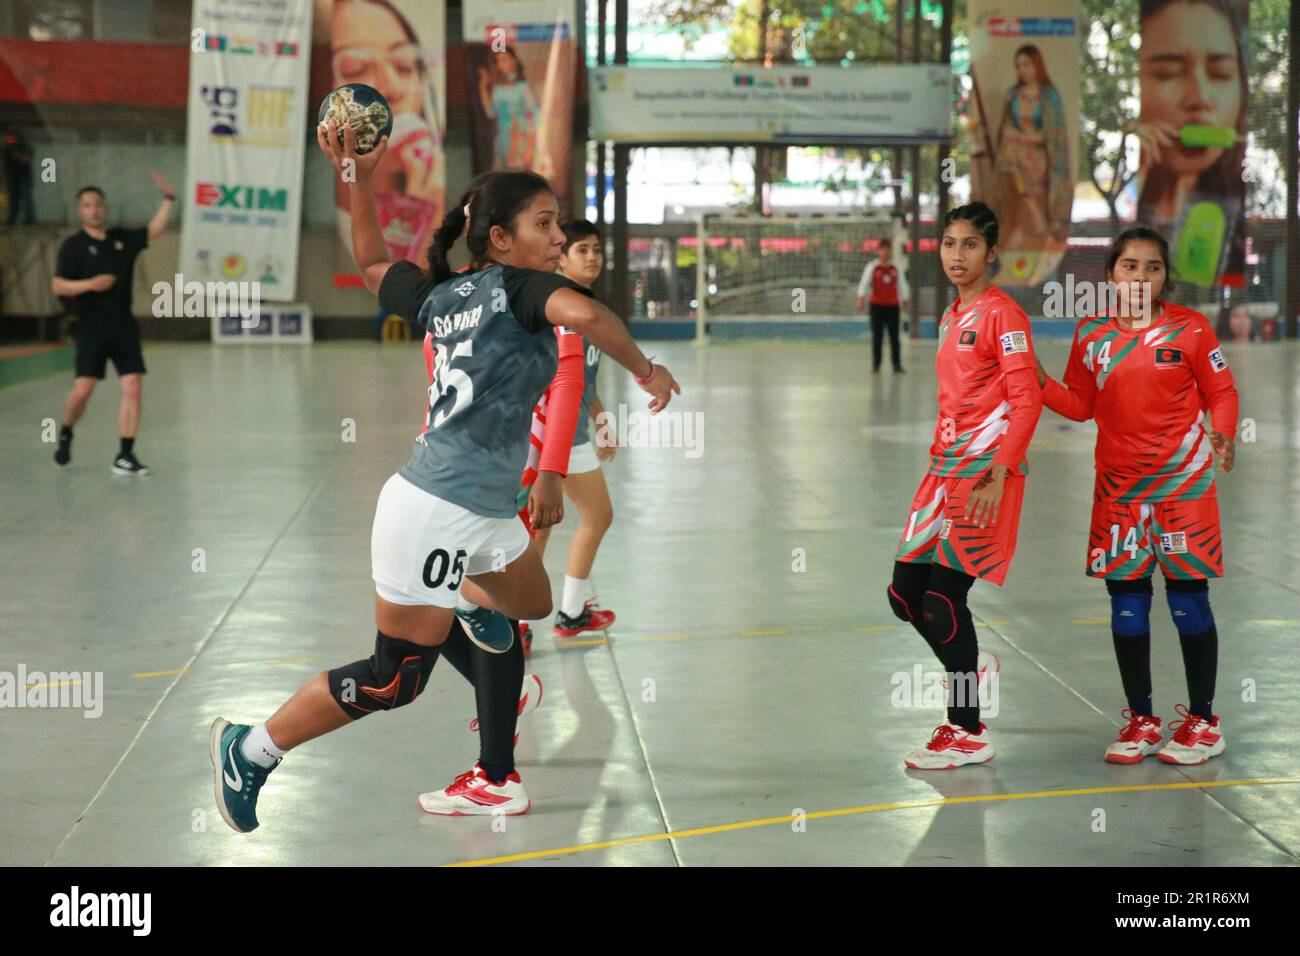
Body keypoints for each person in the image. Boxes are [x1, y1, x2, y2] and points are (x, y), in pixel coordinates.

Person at [208, 120, 679, 831]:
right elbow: (585, 312)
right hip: (431, 508)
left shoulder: (442, 294)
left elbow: (369, 261)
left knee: (525, 606)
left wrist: (354, 177)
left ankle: (491, 754)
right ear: (500, 238)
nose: (558, 238)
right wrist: (648, 370)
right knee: (394, 679)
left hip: (484, 506)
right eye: (544, 224)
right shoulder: (522, 291)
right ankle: (252, 749)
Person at [1036, 226, 1238, 765]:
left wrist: (1222, 429)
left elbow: (1221, 389)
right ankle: (1142, 721)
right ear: (1112, 273)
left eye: (1153, 267)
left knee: (1187, 603)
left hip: (1183, 488)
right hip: (1118, 491)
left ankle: (1203, 722)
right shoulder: (1091, 334)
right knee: (1127, 607)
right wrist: (1035, 381)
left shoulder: (1192, 330)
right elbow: (1081, 404)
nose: (1142, 277)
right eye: (1131, 266)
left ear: (1165, 275)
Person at [886, 201, 1043, 770]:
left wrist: (1000, 469)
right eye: (949, 244)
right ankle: (970, 670)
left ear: (991, 253)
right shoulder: (952, 315)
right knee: (905, 595)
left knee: (942, 597)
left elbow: (1027, 401)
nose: (957, 255)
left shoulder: (1005, 317)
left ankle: (968, 729)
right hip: (941, 471)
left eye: (969, 245)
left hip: (984, 475)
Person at [51, 176, 175, 475]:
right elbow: (58, 285)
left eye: (97, 205)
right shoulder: (73, 246)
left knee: (132, 385)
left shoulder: (121, 240)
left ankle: (125, 454)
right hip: (90, 327)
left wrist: (169, 199)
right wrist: (90, 284)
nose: (93, 210)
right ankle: (67, 429)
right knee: (83, 391)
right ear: (80, 211)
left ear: (104, 208)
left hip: (123, 325)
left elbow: (154, 230)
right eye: (87, 205)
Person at [993, 44, 1071, 252]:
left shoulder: (1049, 95)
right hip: (1014, 153)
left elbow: (1053, 135)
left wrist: (1025, 138)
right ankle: (1015, 229)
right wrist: (1017, 138)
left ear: (1037, 65)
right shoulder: (1013, 94)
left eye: (1026, 64)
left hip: (1039, 157)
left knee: (1024, 173)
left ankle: (1037, 226)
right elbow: (1007, 128)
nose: (1022, 70)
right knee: (1009, 163)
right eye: (1018, 66)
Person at [856, 237, 909, 374]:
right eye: (882, 249)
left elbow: (902, 285)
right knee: (877, 337)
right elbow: (864, 283)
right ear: (878, 251)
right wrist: (861, 298)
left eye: (888, 249)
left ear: (891, 251)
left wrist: (905, 300)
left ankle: (896, 365)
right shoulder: (872, 266)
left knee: (894, 337)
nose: (885, 252)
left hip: (892, 307)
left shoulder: (896, 267)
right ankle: (876, 365)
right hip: (876, 306)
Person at [3, 128, 35, 225]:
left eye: (11, 138)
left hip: (24, 175)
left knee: (26, 197)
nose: (10, 140)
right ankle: (12, 217)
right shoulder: (6, 148)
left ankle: (29, 218)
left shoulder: (24, 147)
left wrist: (17, 155)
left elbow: (27, 158)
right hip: (12, 176)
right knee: (13, 198)